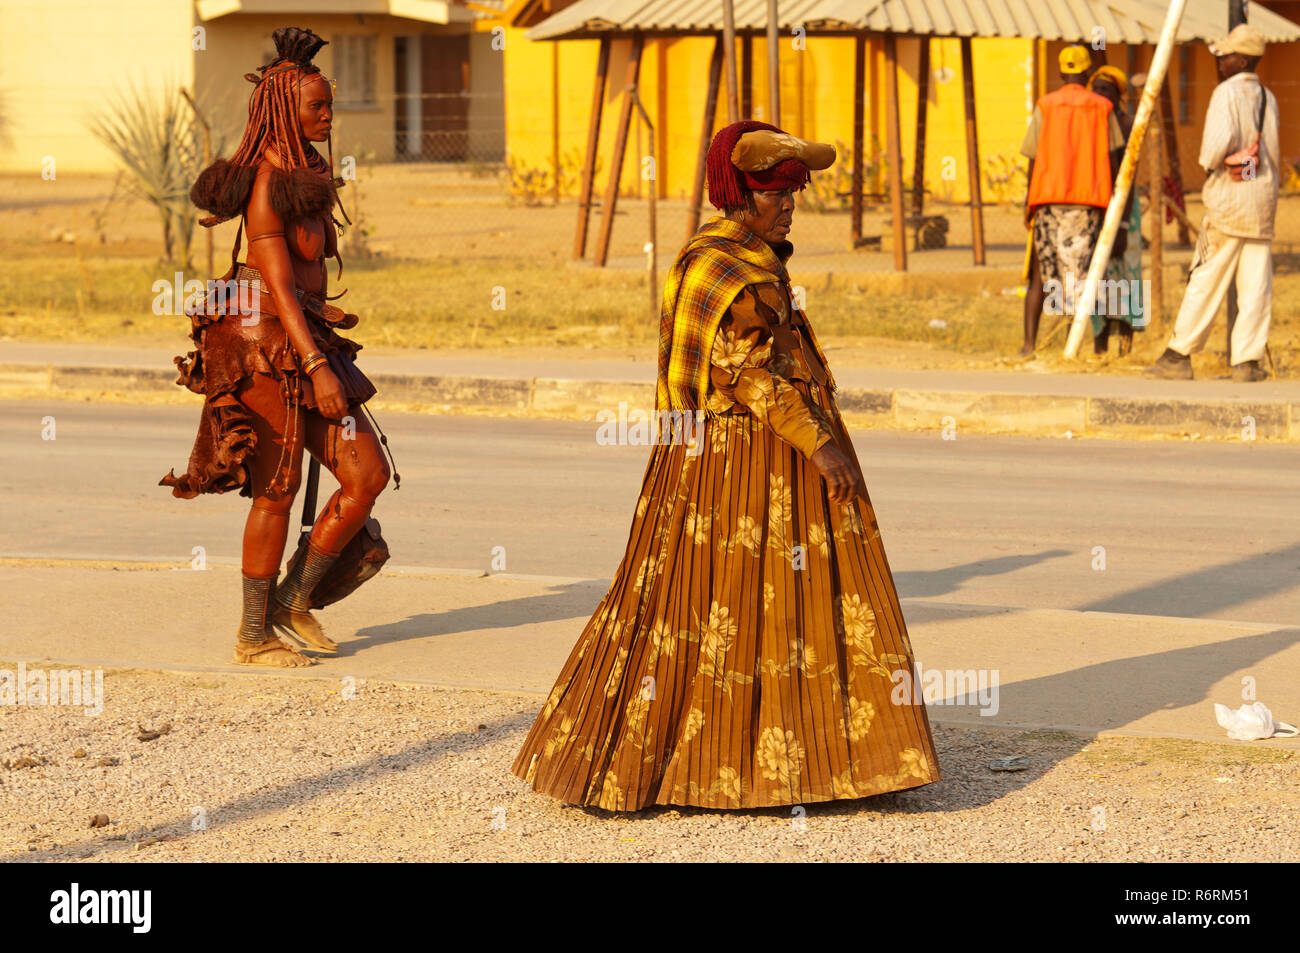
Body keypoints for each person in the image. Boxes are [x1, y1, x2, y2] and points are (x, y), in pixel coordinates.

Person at [511, 120, 940, 811]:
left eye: (794, 190)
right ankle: (676, 764)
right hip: (736, 456)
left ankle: (812, 761)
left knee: (776, 609)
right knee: (701, 608)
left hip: (770, 451)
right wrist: (818, 441)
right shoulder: (720, 264)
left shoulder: (753, 254)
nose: (791, 202)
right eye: (777, 191)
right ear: (740, 193)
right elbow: (738, 369)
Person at [160, 27, 394, 666]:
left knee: (366, 473)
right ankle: (254, 634)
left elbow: (300, 284)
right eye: (316, 107)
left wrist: (322, 327)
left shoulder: (307, 173)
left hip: (300, 331)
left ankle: (293, 599)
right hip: (262, 345)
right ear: (283, 113)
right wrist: (318, 363)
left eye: (329, 105)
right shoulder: (267, 184)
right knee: (278, 489)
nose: (327, 117)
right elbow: (276, 285)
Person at [1146, 24, 1278, 382]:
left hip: (1228, 203)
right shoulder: (1268, 97)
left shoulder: (1225, 94)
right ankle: (1247, 362)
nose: (1219, 59)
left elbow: (1214, 150)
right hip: (1260, 202)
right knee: (1255, 285)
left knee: (1205, 276)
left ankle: (1178, 353)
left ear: (1244, 59)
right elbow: (1273, 155)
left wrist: (1207, 167)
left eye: (1226, 54)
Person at [1019, 45, 1128, 356]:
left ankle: (1028, 345)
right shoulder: (1102, 108)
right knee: (1082, 272)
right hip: (1088, 201)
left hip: (1048, 199)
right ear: (1086, 73)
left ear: (1060, 72)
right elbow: (1114, 158)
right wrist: (1116, 209)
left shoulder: (1046, 105)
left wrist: (1030, 200)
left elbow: (1032, 157)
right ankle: (1076, 343)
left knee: (1040, 272)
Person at [1088, 65, 1145, 356]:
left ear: (1118, 95)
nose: (1098, 95)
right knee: (1099, 276)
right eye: (1094, 89)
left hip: (1124, 210)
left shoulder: (1126, 125)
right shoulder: (1089, 123)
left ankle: (1126, 347)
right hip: (1094, 206)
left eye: (1105, 89)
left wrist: (1122, 225)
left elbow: (1129, 176)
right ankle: (1099, 347)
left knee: (1127, 275)